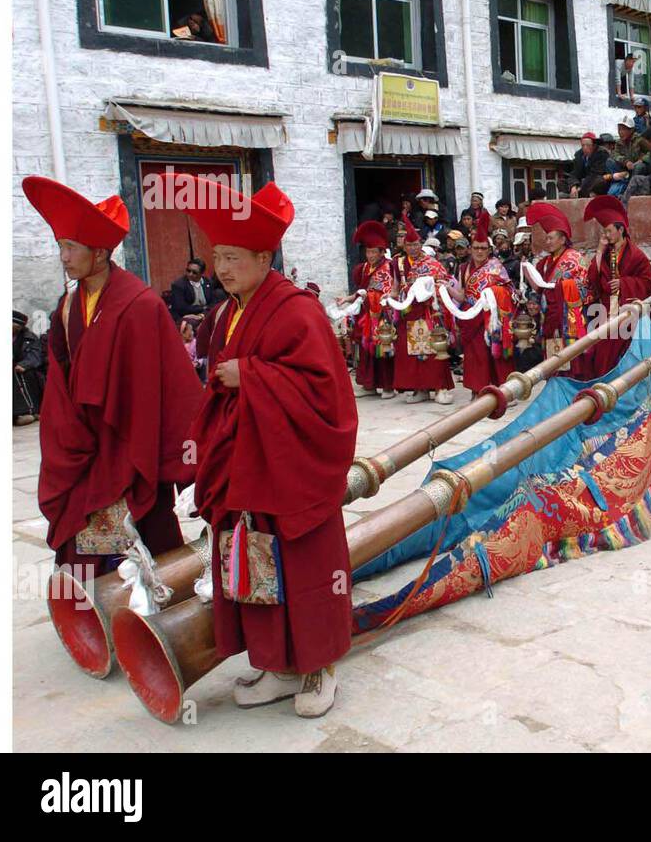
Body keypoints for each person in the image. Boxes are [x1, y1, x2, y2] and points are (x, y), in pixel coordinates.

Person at [176, 174, 357, 718]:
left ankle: (319, 667)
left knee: (301, 565)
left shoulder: (296, 309)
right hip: (244, 463)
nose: (223, 268)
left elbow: (327, 395)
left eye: (233, 256)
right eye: (218, 257)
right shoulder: (230, 312)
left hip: (290, 468)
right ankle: (277, 664)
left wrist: (251, 376)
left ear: (262, 256)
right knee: (253, 562)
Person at [24, 176, 200, 578]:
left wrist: (181, 458)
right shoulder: (69, 304)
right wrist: (68, 431)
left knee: (145, 536)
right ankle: (88, 613)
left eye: (71, 247)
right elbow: (61, 374)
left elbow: (169, 384)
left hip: (129, 443)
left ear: (101, 253)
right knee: (81, 534)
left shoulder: (140, 304)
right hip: (85, 443)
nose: (64, 257)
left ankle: (154, 614)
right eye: (61, 247)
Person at [584, 195, 651, 378]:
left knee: (622, 354)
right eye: (604, 232)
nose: (606, 235)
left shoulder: (637, 255)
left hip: (627, 311)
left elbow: (647, 283)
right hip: (606, 310)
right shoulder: (606, 253)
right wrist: (599, 250)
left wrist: (624, 283)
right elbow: (593, 277)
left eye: (608, 231)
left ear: (620, 229)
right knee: (602, 353)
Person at [451, 211, 516, 396]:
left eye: (483, 248)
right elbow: (462, 296)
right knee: (475, 355)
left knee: (496, 355)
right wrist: (445, 289)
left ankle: (503, 390)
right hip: (472, 317)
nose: (479, 251)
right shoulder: (463, 268)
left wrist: (494, 295)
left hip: (492, 318)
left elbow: (510, 291)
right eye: (476, 248)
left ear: (489, 250)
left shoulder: (496, 267)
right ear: (470, 249)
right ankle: (477, 389)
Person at [524, 201, 592, 379]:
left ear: (563, 239)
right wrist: (528, 273)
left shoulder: (575, 259)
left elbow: (584, 287)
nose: (548, 242)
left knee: (571, 363)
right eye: (546, 238)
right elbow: (539, 288)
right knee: (554, 362)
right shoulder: (544, 263)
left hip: (569, 318)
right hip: (549, 317)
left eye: (551, 238)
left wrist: (561, 287)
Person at [393, 221, 455, 405]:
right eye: (409, 245)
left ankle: (440, 388)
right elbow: (396, 287)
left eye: (415, 244)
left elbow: (443, 281)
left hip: (429, 310)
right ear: (404, 245)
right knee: (413, 352)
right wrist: (389, 301)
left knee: (434, 349)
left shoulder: (431, 263)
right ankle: (420, 389)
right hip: (409, 311)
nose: (412, 248)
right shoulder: (399, 263)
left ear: (421, 244)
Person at [339, 220, 398, 398]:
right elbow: (362, 291)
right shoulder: (364, 268)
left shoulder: (389, 266)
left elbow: (390, 289)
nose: (370, 255)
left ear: (382, 252)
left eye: (374, 252)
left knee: (382, 347)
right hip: (366, 314)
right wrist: (347, 299)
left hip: (382, 314)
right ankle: (369, 385)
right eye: (368, 251)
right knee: (365, 349)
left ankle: (388, 387)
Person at [13, 309, 46, 425]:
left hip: (23, 369)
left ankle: (27, 412)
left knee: (23, 375)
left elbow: (35, 356)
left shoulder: (29, 338)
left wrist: (24, 365)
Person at [169, 257, 218, 323]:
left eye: (194, 272)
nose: (190, 274)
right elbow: (181, 308)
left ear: (202, 273)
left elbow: (213, 303)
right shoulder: (178, 285)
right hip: (186, 316)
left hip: (204, 314)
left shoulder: (208, 282)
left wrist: (203, 314)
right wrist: (203, 308)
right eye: (188, 271)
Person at [568, 133, 610, 198]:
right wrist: (573, 186)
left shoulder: (601, 153)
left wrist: (580, 187)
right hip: (583, 182)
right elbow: (575, 173)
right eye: (583, 145)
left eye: (588, 145)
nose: (585, 148)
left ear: (594, 145)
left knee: (599, 181)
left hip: (596, 180)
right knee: (561, 182)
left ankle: (585, 194)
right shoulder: (579, 155)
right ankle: (577, 193)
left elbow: (595, 173)